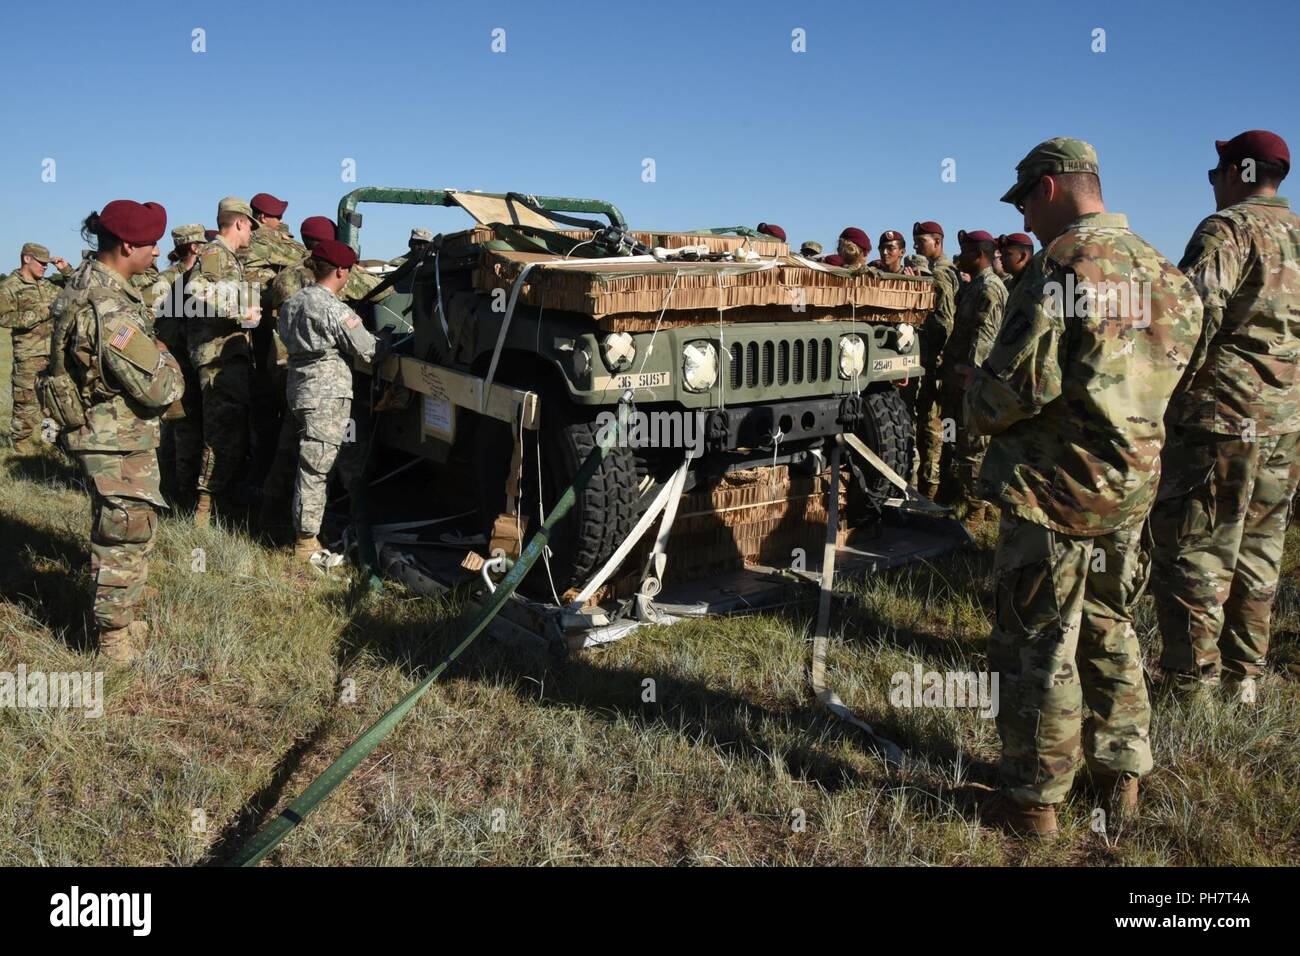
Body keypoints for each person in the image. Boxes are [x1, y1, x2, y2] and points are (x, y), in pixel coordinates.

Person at [960, 137, 1202, 838]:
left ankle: (1034, 800)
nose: (1026, 222)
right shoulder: (1163, 268)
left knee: (1038, 637)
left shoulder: (1060, 265)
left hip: (1055, 490)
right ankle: (1121, 770)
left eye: (1027, 203)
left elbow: (1017, 387)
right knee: (1109, 623)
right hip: (1130, 485)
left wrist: (973, 399)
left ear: (1051, 187)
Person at [1150, 130, 1300, 704]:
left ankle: (1192, 686)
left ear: (1239, 172)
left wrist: (1162, 395)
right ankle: (1245, 678)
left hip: (1220, 419)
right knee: (1262, 545)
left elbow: (1193, 318)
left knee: (1197, 546)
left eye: (1215, 172)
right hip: (1284, 422)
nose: (1211, 183)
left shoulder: (1229, 229)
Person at [47, 200, 183, 663]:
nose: (157, 252)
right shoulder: (110, 310)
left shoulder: (84, 284)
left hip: (100, 431)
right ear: (126, 245)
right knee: (124, 535)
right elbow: (158, 389)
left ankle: (121, 618)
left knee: (118, 527)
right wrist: (165, 355)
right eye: (150, 244)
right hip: (116, 438)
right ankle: (113, 641)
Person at [278, 239, 378, 563]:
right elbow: (367, 349)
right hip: (326, 393)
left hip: (299, 387)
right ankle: (305, 541)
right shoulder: (333, 308)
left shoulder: (293, 302)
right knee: (316, 467)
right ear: (340, 270)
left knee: (311, 460)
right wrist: (388, 343)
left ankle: (304, 527)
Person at [185, 196, 262, 525]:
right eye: (250, 228)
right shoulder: (216, 254)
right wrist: (239, 311)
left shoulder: (229, 257)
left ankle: (217, 502)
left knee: (230, 431)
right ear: (241, 222)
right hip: (217, 358)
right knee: (222, 433)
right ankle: (204, 510)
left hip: (227, 356)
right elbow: (195, 293)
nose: (251, 235)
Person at [938, 229, 1007, 518]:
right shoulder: (975, 285)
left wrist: (972, 378)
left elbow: (984, 337)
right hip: (961, 377)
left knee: (972, 447)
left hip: (973, 380)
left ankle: (977, 510)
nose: (960, 258)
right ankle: (971, 502)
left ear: (978, 255)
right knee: (958, 440)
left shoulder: (988, 289)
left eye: (965, 252)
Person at [151, 224, 206, 507]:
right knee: (180, 426)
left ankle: (177, 483)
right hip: (174, 361)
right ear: (195, 247)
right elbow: (151, 321)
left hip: (194, 359)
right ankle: (179, 489)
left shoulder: (201, 278)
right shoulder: (167, 280)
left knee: (190, 425)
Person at [0, 243, 73, 451]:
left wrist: (65, 270)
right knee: (26, 405)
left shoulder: (48, 285)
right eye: (41, 263)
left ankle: (49, 445)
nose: (45, 267)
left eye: (47, 263)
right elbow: (3, 317)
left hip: (55, 354)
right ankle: (21, 450)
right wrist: (40, 313)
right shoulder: (10, 286)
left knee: (53, 403)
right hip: (29, 355)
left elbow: (77, 286)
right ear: (27, 259)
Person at [912, 221, 959, 499]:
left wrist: (938, 359)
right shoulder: (940, 271)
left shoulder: (940, 274)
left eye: (922, 242)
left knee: (932, 427)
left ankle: (931, 491)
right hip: (934, 358)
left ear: (937, 242)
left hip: (935, 359)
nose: (917, 246)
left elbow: (944, 323)